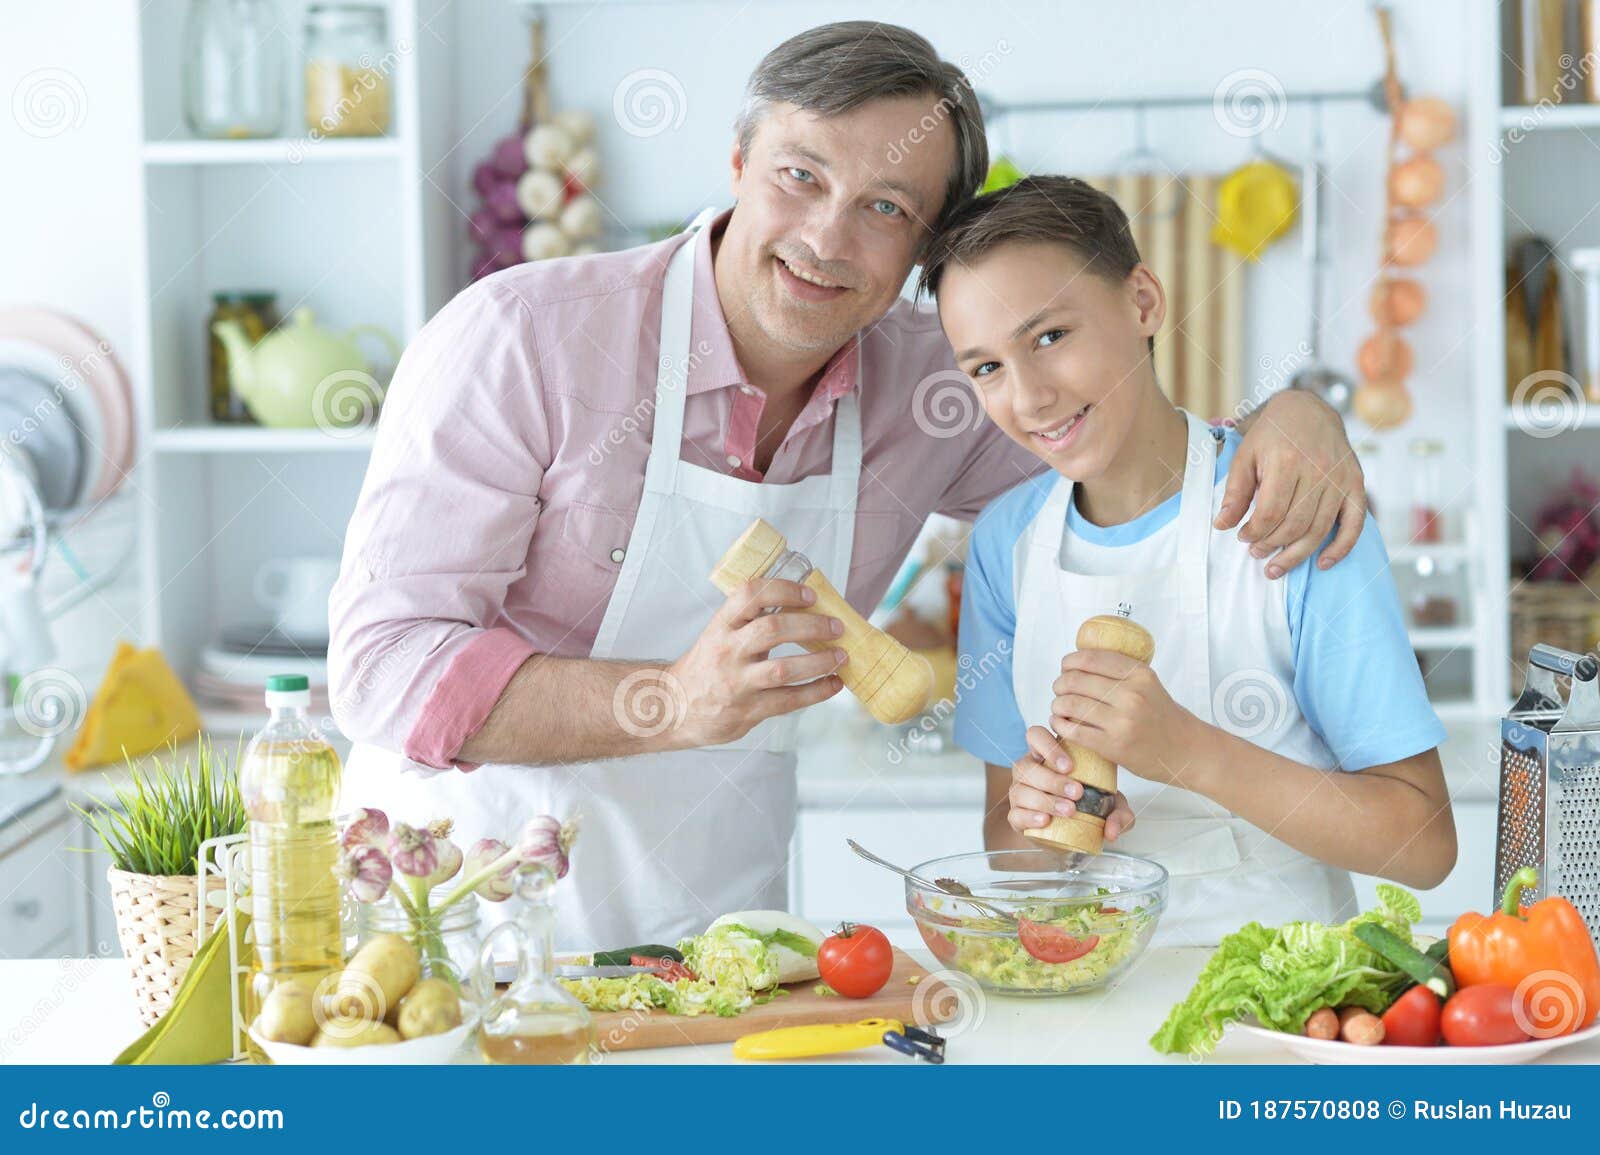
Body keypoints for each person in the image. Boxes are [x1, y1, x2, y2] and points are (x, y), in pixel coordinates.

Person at [329, 24, 1370, 948]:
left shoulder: (939, 387)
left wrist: (1290, 415)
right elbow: (381, 665)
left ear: (925, 249)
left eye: (885, 206)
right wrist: (674, 702)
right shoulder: (523, 339)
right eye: (798, 176)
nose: (827, 238)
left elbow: (1133, 466)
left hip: (720, 947)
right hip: (457, 926)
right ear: (737, 163)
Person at [924, 176, 1455, 945]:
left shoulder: (1290, 502)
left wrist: (1187, 751)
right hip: (1090, 1001)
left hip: (1286, 1016)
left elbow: (1425, 842)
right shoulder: (1005, 543)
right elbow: (1011, 856)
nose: (1030, 397)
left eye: (1049, 337)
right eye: (986, 368)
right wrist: (1040, 824)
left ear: (1142, 302)